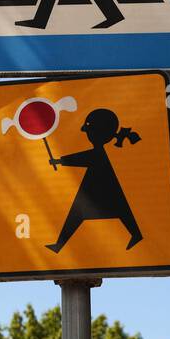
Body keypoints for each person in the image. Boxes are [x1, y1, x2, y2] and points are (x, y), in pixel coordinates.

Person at [45, 108, 142, 253]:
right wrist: (60, 161)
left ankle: (137, 235)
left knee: (84, 212)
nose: (87, 134)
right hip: (98, 186)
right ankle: (59, 245)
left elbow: (86, 158)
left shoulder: (98, 152)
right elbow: (86, 157)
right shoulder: (99, 151)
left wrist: (60, 161)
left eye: (89, 131)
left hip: (100, 187)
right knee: (118, 211)